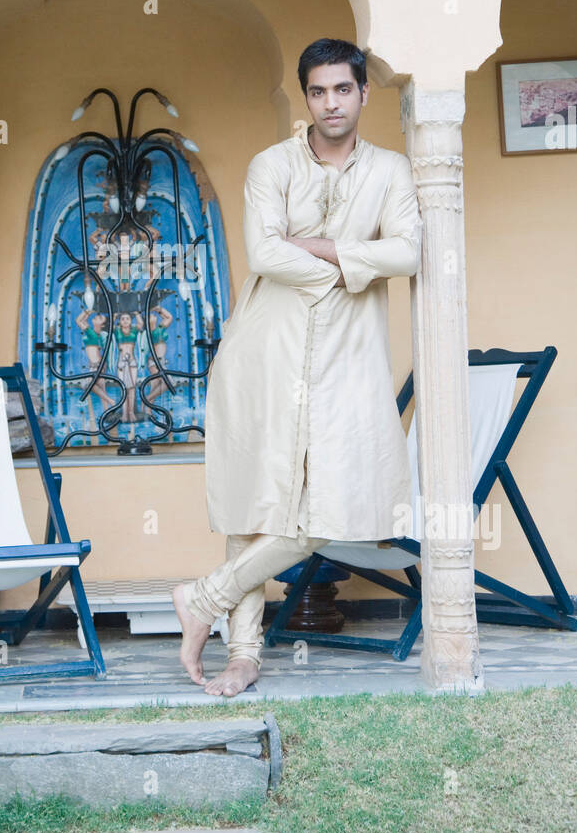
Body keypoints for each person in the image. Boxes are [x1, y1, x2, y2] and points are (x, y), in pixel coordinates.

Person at [173, 38, 422, 697]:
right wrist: (351, 262)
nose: (331, 103)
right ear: (305, 96)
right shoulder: (271, 165)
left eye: (343, 89)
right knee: (255, 500)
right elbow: (263, 254)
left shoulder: (391, 171)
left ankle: (204, 599)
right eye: (318, 91)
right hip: (266, 348)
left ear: (365, 92)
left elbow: (409, 251)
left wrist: (319, 245)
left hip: (348, 359)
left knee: (331, 506)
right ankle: (243, 654)